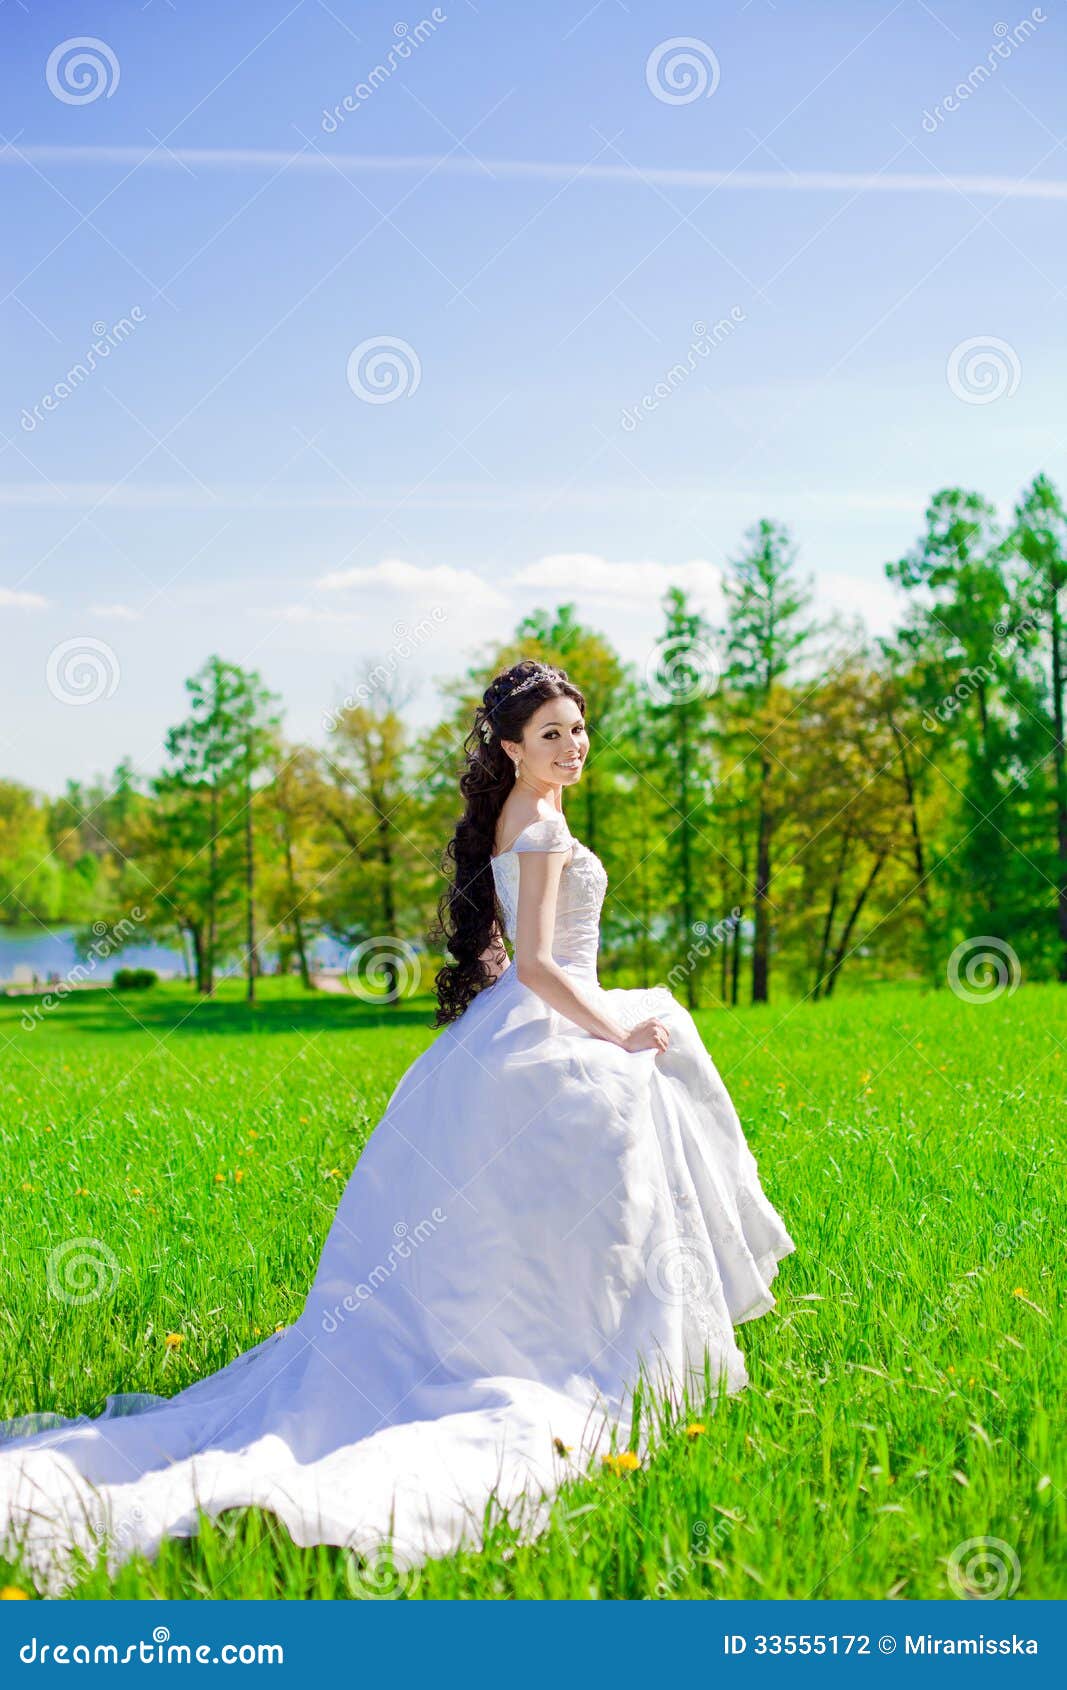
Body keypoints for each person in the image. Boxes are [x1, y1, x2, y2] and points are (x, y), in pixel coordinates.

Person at [0, 660, 796, 1590]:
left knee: (545, 1210)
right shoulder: (537, 825)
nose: (571, 748)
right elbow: (538, 963)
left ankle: (563, 1343)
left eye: (577, 730)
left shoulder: (532, 813)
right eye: (549, 735)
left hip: (522, 1027)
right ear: (509, 747)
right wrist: (615, 1026)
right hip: (552, 1015)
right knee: (631, 1110)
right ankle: (584, 1362)